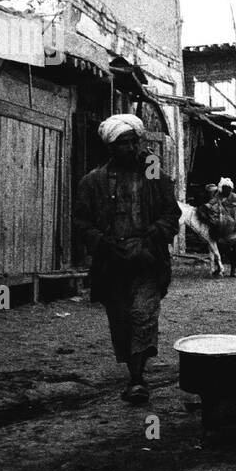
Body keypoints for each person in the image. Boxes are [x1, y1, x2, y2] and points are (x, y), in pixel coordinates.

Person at [74, 114, 181, 404]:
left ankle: (137, 379)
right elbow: (82, 223)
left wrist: (151, 238)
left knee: (143, 315)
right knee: (121, 319)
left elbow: (171, 214)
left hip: (148, 260)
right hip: (113, 264)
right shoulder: (93, 182)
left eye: (135, 141)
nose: (132, 148)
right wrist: (105, 244)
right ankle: (133, 371)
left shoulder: (152, 174)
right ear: (111, 147)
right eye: (124, 143)